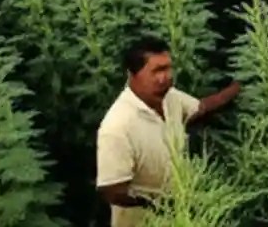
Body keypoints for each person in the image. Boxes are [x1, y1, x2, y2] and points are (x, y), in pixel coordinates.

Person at [96, 35, 241, 226]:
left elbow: (201, 108)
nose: (165, 77)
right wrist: (161, 205)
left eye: (167, 68)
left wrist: (237, 88)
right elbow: (113, 190)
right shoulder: (117, 126)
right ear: (132, 75)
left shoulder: (170, 99)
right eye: (157, 70)